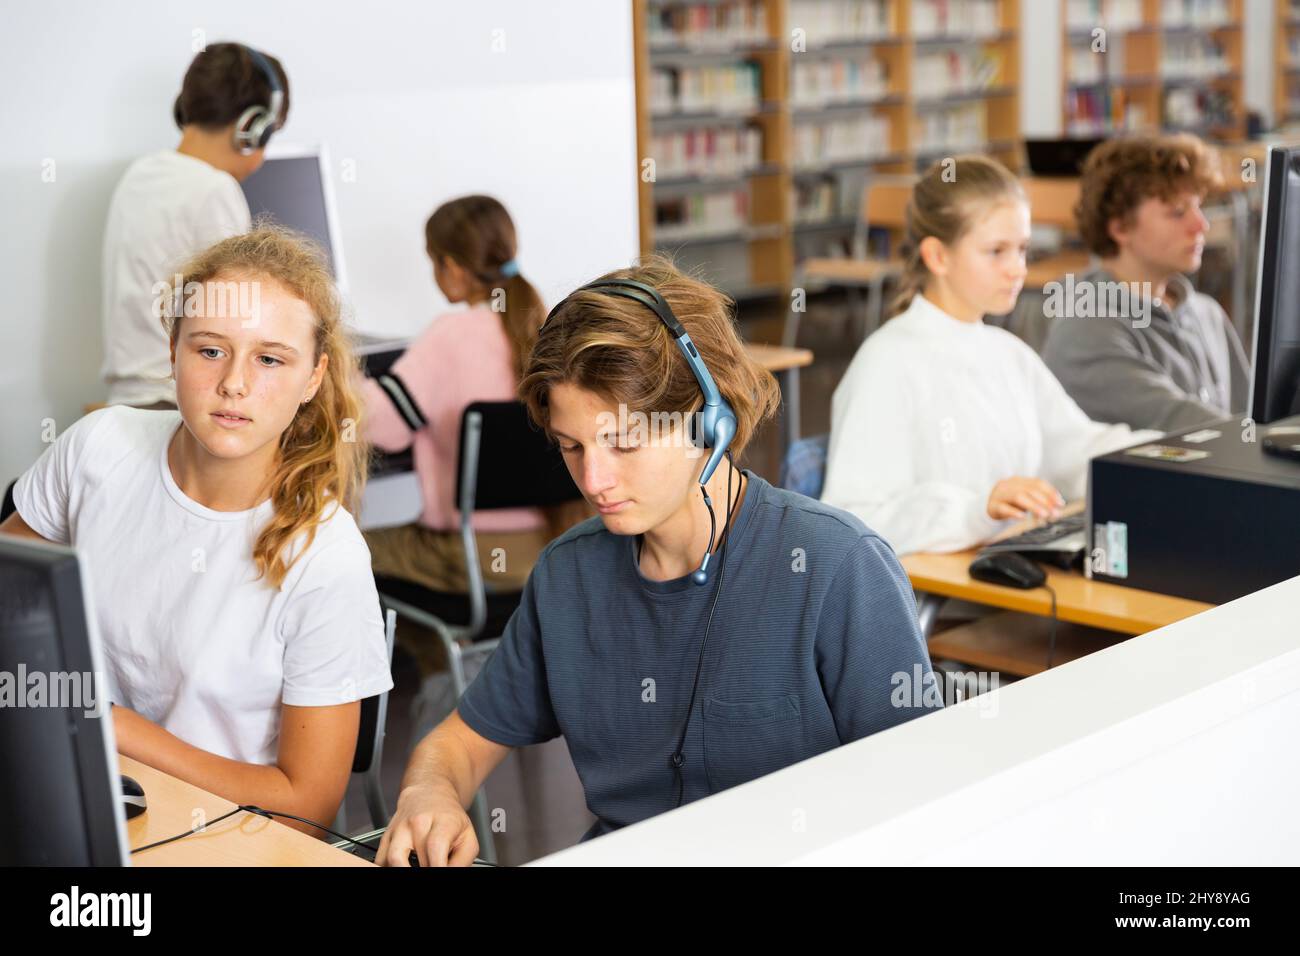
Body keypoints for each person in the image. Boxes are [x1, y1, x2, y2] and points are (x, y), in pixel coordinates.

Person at [377, 259, 939, 866]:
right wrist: (427, 792)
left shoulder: (838, 569)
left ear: (710, 420)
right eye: (572, 447)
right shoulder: (568, 577)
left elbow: (922, 803)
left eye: (624, 443)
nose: (594, 480)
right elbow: (459, 741)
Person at [1, 227, 391, 835]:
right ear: (172, 352)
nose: (235, 383)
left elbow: (306, 809)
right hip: (69, 791)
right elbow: (9, 594)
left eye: (269, 359)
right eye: (210, 350)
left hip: (222, 836)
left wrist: (108, 725)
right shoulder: (100, 447)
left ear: (312, 378)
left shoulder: (327, 557)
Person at [822, 155, 1160, 557]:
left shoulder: (1008, 353)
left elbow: (1072, 446)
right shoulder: (886, 364)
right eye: (996, 251)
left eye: (1022, 250)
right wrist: (975, 510)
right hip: (939, 597)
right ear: (938, 256)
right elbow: (853, 518)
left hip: (1009, 570)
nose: (1016, 269)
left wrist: (1161, 453)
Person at [361, 196, 556, 599]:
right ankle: (437, 657)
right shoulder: (548, 325)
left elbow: (385, 427)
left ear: (449, 266)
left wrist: (336, 372)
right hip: (550, 547)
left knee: (340, 555)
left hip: (470, 555)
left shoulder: (451, 334)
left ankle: (423, 659)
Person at [101, 41, 288, 408]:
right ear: (252, 128)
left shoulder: (139, 174)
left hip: (126, 399)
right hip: (176, 402)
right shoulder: (214, 189)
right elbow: (241, 315)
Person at [1041, 134, 1249, 432]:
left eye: (1198, 206)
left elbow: (1253, 417)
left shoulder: (1206, 313)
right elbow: (1186, 429)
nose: (1201, 225)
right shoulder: (1085, 332)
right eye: (1177, 212)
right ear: (1120, 228)